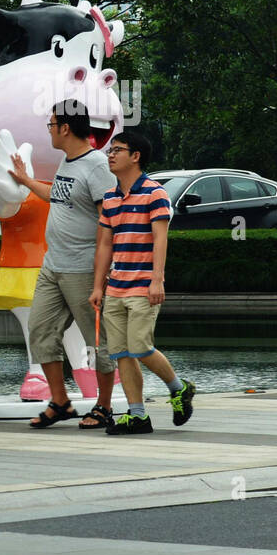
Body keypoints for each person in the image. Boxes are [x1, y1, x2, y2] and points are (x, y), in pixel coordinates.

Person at [5, 101, 119, 429]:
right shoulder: (67, 162)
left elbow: (109, 219)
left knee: (98, 342)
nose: (50, 130)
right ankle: (60, 401)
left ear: (65, 128)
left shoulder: (97, 165)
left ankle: (104, 406)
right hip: (53, 266)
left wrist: (102, 276)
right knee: (40, 330)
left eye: (51, 124)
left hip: (83, 270)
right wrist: (26, 180)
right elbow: (58, 194)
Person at [90, 132, 196, 434]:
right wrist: (98, 287)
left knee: (140, 346)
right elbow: (104, 245)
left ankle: (179, 387)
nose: (110, 155)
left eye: (117, 150)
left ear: (135, 156)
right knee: (121, 352)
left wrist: (157, 279)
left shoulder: (155, 194)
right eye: (110, 150)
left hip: (143, 285)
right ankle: (137, 415)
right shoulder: (110, 198)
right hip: (116, 287)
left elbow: (161, 238)